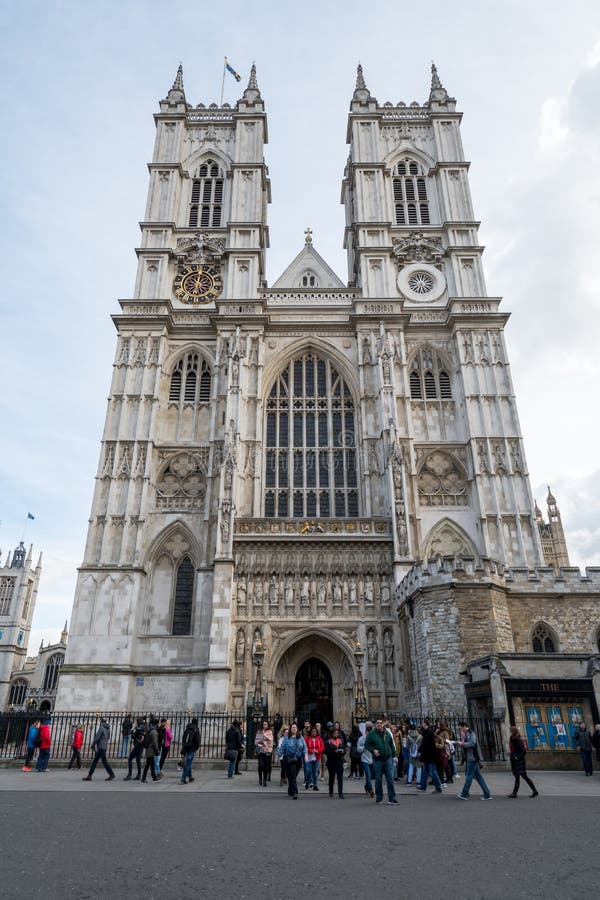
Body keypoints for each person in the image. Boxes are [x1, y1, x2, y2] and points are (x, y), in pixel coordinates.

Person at [364, 718, 398, 804]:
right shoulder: (372, 734)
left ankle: (392, 798)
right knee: (378, 779)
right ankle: (379, 798)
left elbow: (391, 745)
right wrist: (373, 750)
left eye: (380, 723)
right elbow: (367, 745)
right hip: (378, 760)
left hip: (388, 759)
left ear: (383, 724)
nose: (379, 724)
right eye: (377, 723)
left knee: (390, 779)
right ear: (375, 724)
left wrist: (394, 755)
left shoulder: (387, 733)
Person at [456, 721, 492, 800]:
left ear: (464, 726)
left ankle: (464, 794)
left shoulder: (471, 733)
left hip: (472, 758)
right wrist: (462, 740)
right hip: (471, 758)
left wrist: (462, 744)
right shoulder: (467, 734)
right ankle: (487, 794)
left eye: (461, 728)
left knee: (469, 776)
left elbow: (472, 743)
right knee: (478, 777)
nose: (460, 730)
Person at [507, 727, 538, 798]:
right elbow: (513, 749)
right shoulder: (513, 738)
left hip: (519, 761)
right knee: (518, 777)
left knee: (523, 777)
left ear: (513, 731)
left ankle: (534, 791)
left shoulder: (517, 739)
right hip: (516, 761)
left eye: (510, 730)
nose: (509, 731)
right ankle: (515, 793)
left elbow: (523, 751)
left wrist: (516, 757)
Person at [82, 717, 115, 781]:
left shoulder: (101, 728)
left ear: (101, 722)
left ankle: (111, 774)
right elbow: (108, 737)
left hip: (100, 747)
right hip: (104, 746)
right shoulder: (108, 728)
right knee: (95, 761)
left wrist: (93, 745)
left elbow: (97, 738)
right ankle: (89, 775)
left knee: (104, 762)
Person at [279, 723, 306, 799]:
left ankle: (290, 790)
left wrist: (306, 755)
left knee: (293, 776)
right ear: (290, 729)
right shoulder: (287, 737)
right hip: (288, 759)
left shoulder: (300, 737)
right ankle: (295, 792)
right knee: (292, 775)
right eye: (293, 727)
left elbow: (304, 747)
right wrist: (279, 755)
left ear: (297, 729)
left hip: (298, 759)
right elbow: (282, 747)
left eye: (295, 727)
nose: (294, 728)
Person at [417, 719, 444, 794]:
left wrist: (419, 749)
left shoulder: (429, 732)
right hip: (427, 755)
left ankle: (438, 788)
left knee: (433, 772)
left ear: (425, 724)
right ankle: (423, 786)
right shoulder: (427, 731)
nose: (421, 724)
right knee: (425, 771)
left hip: (430, 755)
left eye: (422, 723)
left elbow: (425, 743)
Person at [324, 728, 346, 798]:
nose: (336, 734)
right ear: (332, 734)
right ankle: (331, 791)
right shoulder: (328, 742)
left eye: (337, 733)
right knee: (332, 778)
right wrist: (334, 752)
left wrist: (343, 752)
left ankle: (340, 793)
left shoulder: (341, 741)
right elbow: (326, 752)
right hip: (331, 762)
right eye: (335, 733)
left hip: (339, 762)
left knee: (340, 778)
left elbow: (344, 749)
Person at [180, 717, 200, 785]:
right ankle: (183, 778)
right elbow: (197, 741)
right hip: (192, 748)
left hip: (186, 748)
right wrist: (196, 748)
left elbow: (183, 739)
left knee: (188, 762)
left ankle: (190, 776)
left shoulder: (187, 729)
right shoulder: (196, 730)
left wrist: (184, 746)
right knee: (188, 764)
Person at [141, 717, 162, 783]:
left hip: (149, 749)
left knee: (152, 764)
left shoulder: (150, 730)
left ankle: (154, 777)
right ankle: (143, 778)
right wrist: (157, 750)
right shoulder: (154, 732)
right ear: (156, 724)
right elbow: (155, 742)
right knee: (148, 765)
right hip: (151, 750)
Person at [304, 726, 324, 790]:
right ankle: (307, 782)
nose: (314, 733)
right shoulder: (307, 738)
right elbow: (305, 746)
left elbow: (322, 746)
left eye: (315, 732)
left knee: (315, 772)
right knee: (308, 770)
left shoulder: (319, 738)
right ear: (310, 732)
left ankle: (315, 785)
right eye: (313, 732)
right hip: (309, 757)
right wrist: (311, 750)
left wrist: (318, 751)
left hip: (317, 757)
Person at [255, 720, 274, 787]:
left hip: (268, 751)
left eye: (266, 724)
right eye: (264, 724)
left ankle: (265, 780)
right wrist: (261, 743)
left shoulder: (270, 732)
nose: (265, 725)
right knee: (261, 765)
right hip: (260, 751)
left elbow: (271, 741)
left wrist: (264, 739)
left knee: (266, 766)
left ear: (268, 725)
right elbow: (257, 741)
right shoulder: (259, 731)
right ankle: (260, 778)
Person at [358, 722, 374, 797]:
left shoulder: (373, 739)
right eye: (368, 731)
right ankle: (371, 790)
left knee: (370, 776)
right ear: (365, 731)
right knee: (368, 775)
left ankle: (366, 786)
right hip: (364, 759)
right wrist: (364, 747)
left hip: (372, 759)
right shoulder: (361, 739)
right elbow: (358, 749)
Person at [406, 720, 422, 785]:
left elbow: (407, 746)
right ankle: (418, 781)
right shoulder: (420, 737)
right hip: (419, 753)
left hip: (411, 753)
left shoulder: (408, 736)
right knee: (419, 767)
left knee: (411, 767)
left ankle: (409, 781)